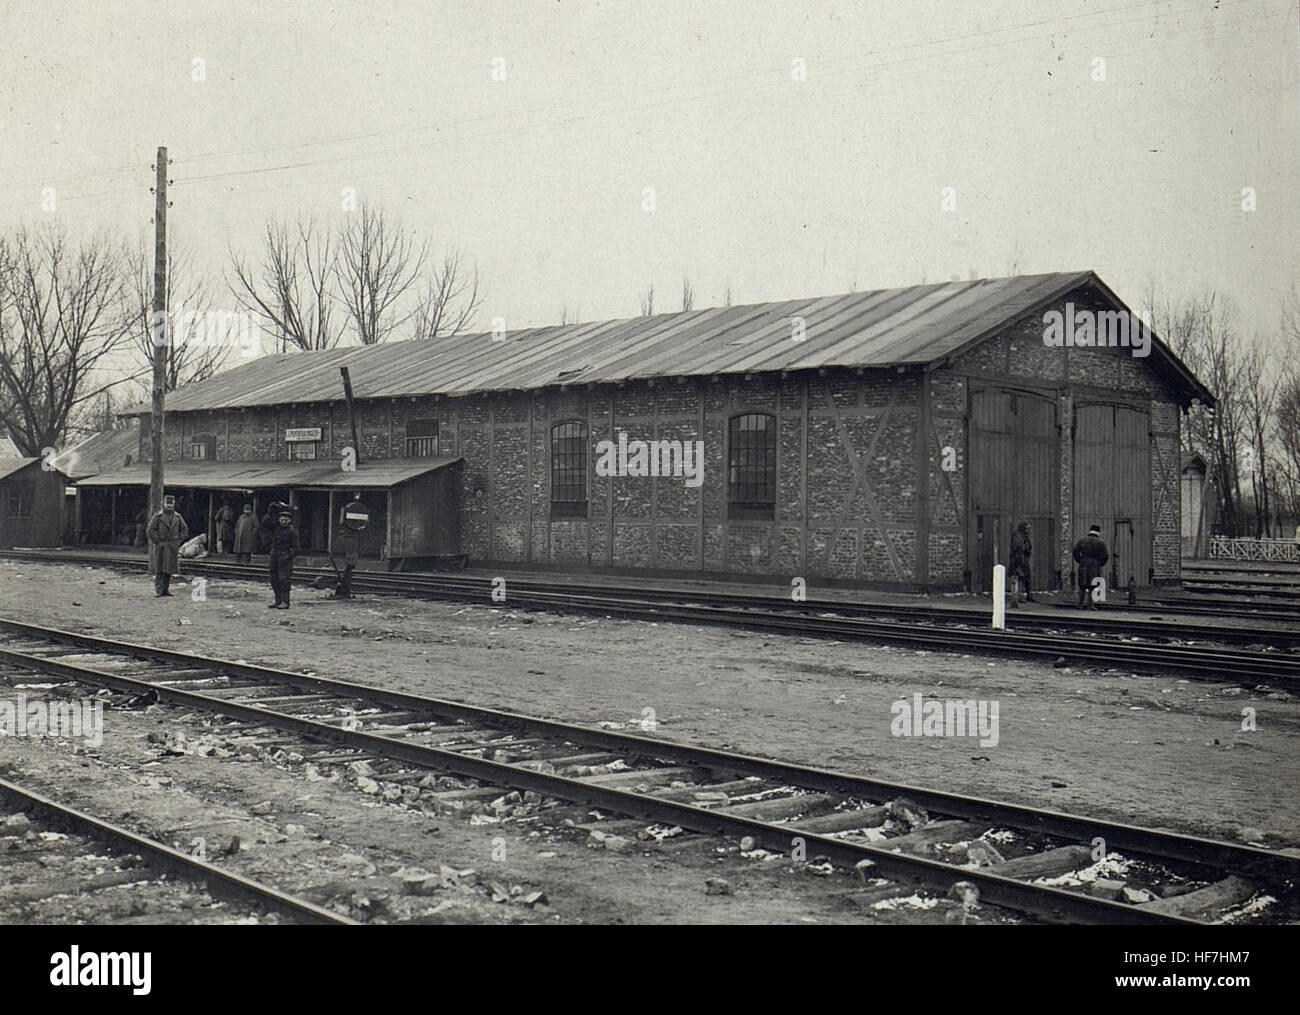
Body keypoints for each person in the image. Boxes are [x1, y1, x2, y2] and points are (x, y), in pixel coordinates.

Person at [146, 495, 188, 597]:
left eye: (171, 503)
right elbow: (150, 530)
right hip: (161, 546)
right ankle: (159, 590)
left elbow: (184, 529)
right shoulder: (158, 516)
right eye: (167, 503)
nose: (169, 505)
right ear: (163, 504)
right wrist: (158, 541)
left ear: (174, 504)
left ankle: (166, 589)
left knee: (169, 569)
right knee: (160, 569)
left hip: (172, 546)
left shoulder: (178, 517)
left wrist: (178, 541)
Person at [267, 508, 300, 609]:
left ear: (289, 521)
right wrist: (270, 510)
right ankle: (277, 601)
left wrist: (288, 556)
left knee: (284, 580)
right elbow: (265, 522)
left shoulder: (292, 531)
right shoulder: (276, 529)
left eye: (286, 520)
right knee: (274, 579)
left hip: (285, 556)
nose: (284, 522)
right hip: (274, 555)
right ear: (279, 520)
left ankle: (285, 602)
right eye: (282, 519)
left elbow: (297, 548)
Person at [1072, 524, 1110, 608]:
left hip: (1083, 563)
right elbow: (1106, 555)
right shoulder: (1101, 542)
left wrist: (1080, 560)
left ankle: (1080, 604)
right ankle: (1090, 604)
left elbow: (1075, 551)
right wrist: (1100, 563)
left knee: (1082, 584)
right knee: (1092, 585)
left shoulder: (1082, 540)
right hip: (1095, 565)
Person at [1009, 522, 1034, 603]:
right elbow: (1017, 548)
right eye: (1026, 528)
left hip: (1022, 559)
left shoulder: (1022, 536)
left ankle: (1026, 595)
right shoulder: (1017, 536)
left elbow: (1028, 547)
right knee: (1020, 578)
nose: (1028, 530)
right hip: (1019, 559)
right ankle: (1019, 596)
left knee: (1025, 578)